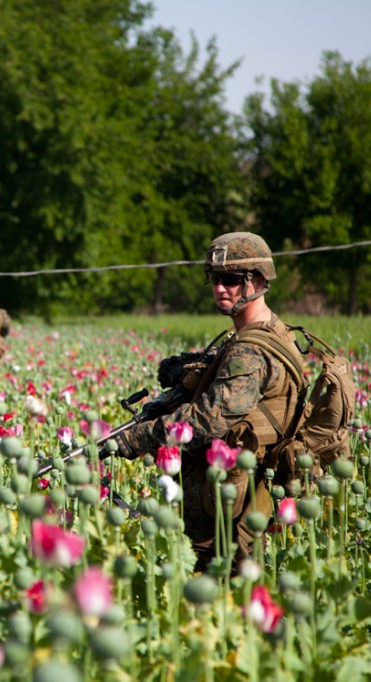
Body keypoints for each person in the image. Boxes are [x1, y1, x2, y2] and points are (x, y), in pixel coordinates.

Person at [113, 232, 307, 572]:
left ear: (259, 280)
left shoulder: (251, 351)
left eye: (231, 279)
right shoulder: (271, 333)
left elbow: (206, 420)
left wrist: (133, 438)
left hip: (232, 509)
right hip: (235, 495)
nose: (220, 288)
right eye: (214, 279)